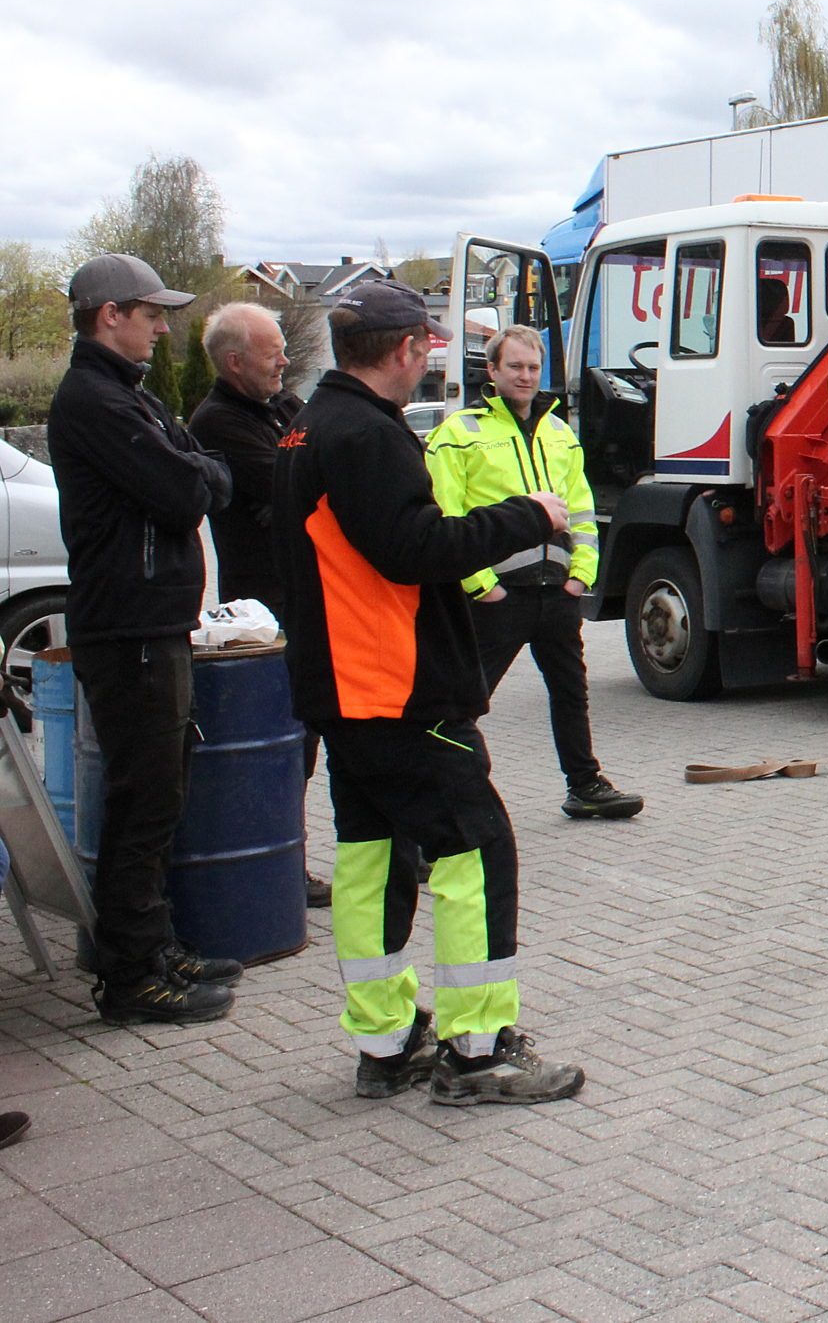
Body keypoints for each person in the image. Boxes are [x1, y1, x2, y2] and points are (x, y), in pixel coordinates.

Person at [274, 280, 587, 1105]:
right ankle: (476, 1052)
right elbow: (414, 547)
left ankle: (385, 1043)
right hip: (396, 688)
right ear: (408, 350)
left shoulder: (309, 426)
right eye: (427, 347)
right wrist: (527, 516)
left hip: (346, 690)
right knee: (474, 850)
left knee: (371, 858)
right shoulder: (366, 435)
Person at [47, 254, 242, 1026]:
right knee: (143, 804)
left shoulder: (131, 396)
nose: (163, 330)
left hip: (153, 623)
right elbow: (189, 487)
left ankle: (153, 947)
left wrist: (196, 472)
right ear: (110, 316)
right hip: (127, 629)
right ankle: (130, 977)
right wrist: (195, 473)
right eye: (152, 315)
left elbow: (209, 472)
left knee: (161, 797)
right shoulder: (95, 401)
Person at [426, 326, 642, 821]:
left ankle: (585, 785)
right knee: (463, 702)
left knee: (571, 694)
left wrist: (581, 575)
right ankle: (435, 805)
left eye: (533, 367)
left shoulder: (559, 432)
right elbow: (446, 514)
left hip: (557, 593)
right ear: (492, 370)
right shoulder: (459, 433)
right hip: (497, 597)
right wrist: (481, 586)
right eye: (515, 367)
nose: (525, 376)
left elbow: (581, 508)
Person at [189, 300, 331, 907]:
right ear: (234, 361)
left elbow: (322, 467)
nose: (285, 362)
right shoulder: (218, 421)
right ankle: (282, 862)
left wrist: (300, 489)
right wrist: (296, 491)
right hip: (266, 610)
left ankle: (385, 848)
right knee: (287, 743)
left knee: (327, 731)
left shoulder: (283, 405)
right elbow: (292, 482)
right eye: (273, 353)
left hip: (311, 594)